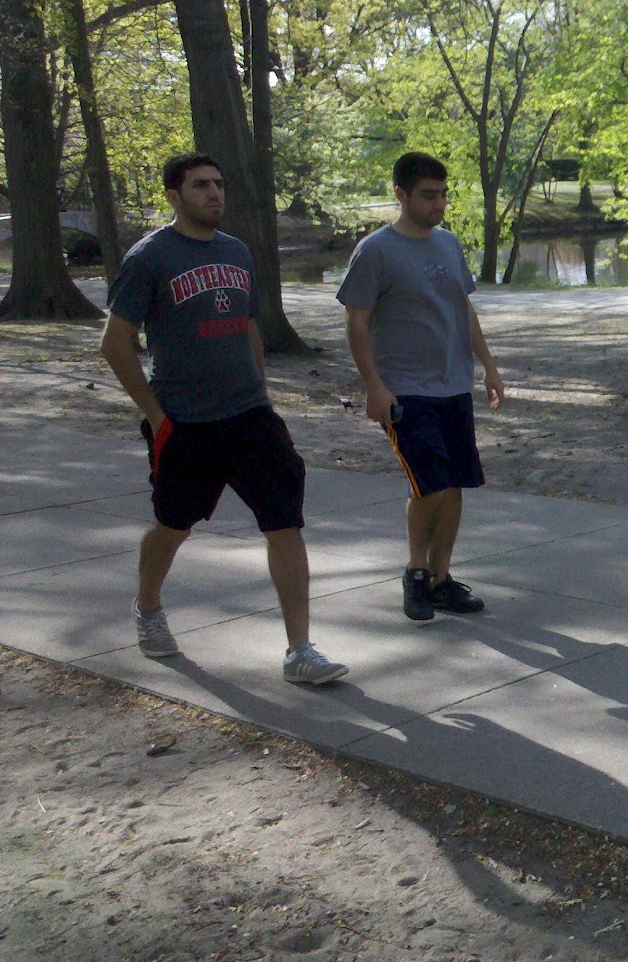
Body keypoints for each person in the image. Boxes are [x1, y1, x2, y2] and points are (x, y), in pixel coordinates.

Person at [99, 152, 348, 684]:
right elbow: (115, 343)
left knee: (285, 522)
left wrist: (261, 392)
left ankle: (300, 650)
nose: (214, 193)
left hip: (250, 417)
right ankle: (147, 609)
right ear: (174, 196)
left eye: (218, 184)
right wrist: (156, 416)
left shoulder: (237, 252)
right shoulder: (149, 258)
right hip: (185, 423)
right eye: (200, 186)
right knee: (173, 526)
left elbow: (248, 326)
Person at [337, 151, 505, 624]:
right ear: (401, 195)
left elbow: (463, 311)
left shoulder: (449, 244)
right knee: (429, 483)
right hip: (404, 391)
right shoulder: (376, 250)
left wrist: (489, 366)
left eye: (443, 194)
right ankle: (415, 573)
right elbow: (356, 321)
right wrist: (373, 386)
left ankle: (441, 578)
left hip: (454, 385)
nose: (439, 204)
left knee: (453, 486)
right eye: (429, 195)